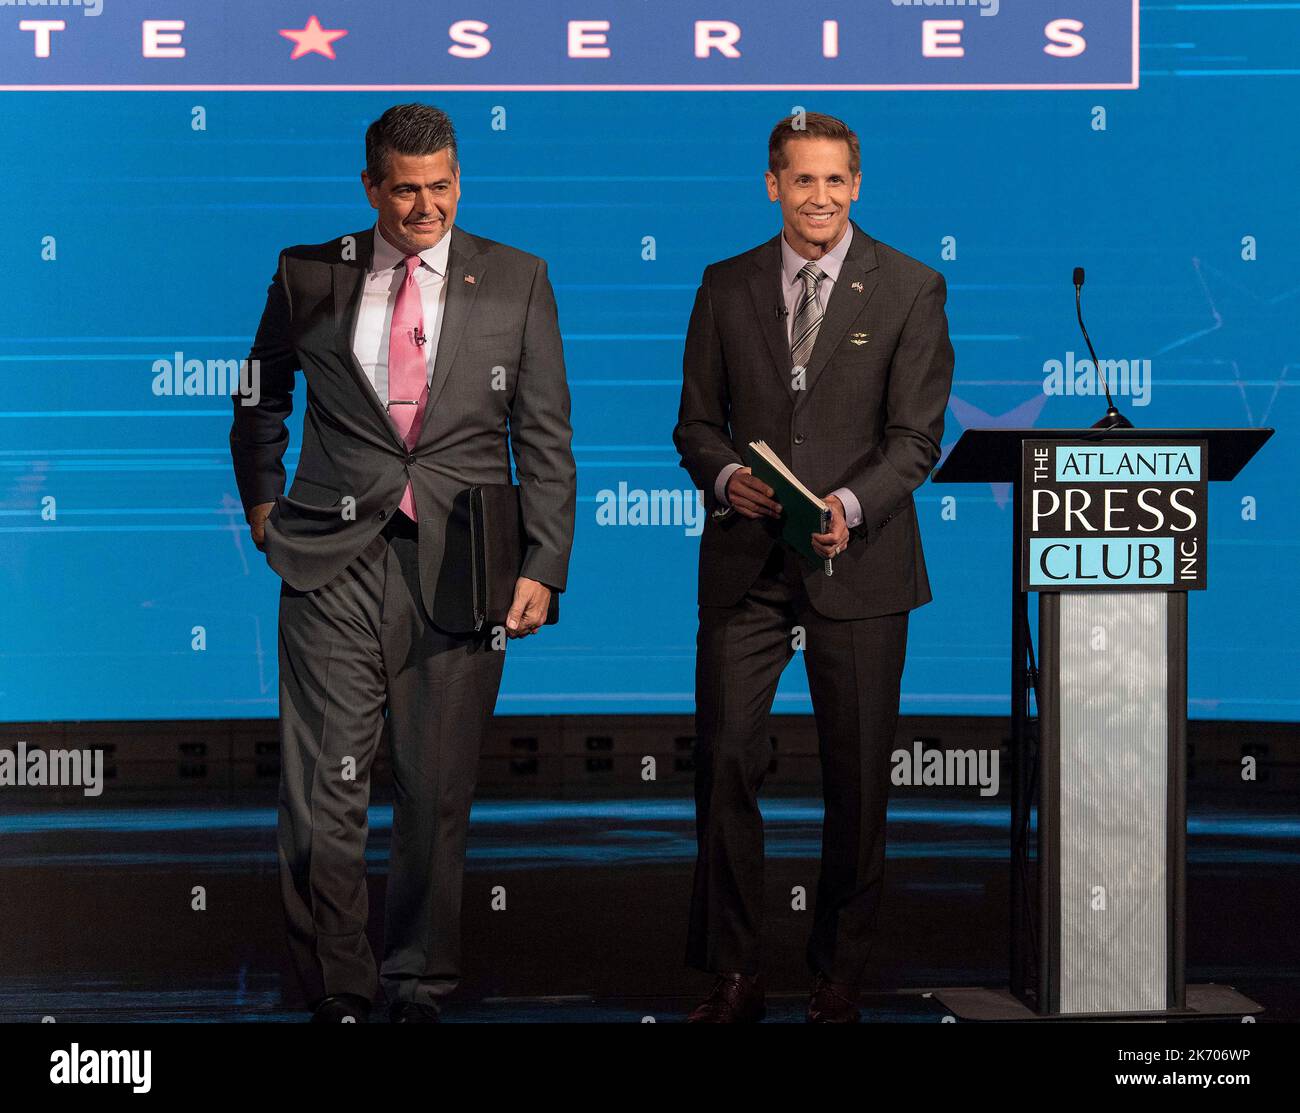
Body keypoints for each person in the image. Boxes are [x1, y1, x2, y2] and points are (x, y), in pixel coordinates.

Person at [229, 103, 575, 1023]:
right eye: (408, 190)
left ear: (459, 179)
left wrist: (544, 564)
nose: (428, 206)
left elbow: (544, 437)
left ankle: (416, 982)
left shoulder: (518, 279)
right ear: (371, 186)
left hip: (464, 570)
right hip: (330, 561)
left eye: (443, 187)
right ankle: (338, 987)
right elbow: (258, 392)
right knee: (322, 790)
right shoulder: (308, 274)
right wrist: (264, 507)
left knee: (435, 791)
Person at [673, 111, 955, 1023]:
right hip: (747, 568)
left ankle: (838, 976)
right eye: (803, 181)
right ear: (772, 184)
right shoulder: (725, 286)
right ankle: (734, 973)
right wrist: (724, 477)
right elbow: (695, 424)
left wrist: (849, 505)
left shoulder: (911, 287)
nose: (820, 198)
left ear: (857, 185)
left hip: (860, 565)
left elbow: (916, 439)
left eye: (836, 181)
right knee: (724, 763)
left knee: (858, 778)